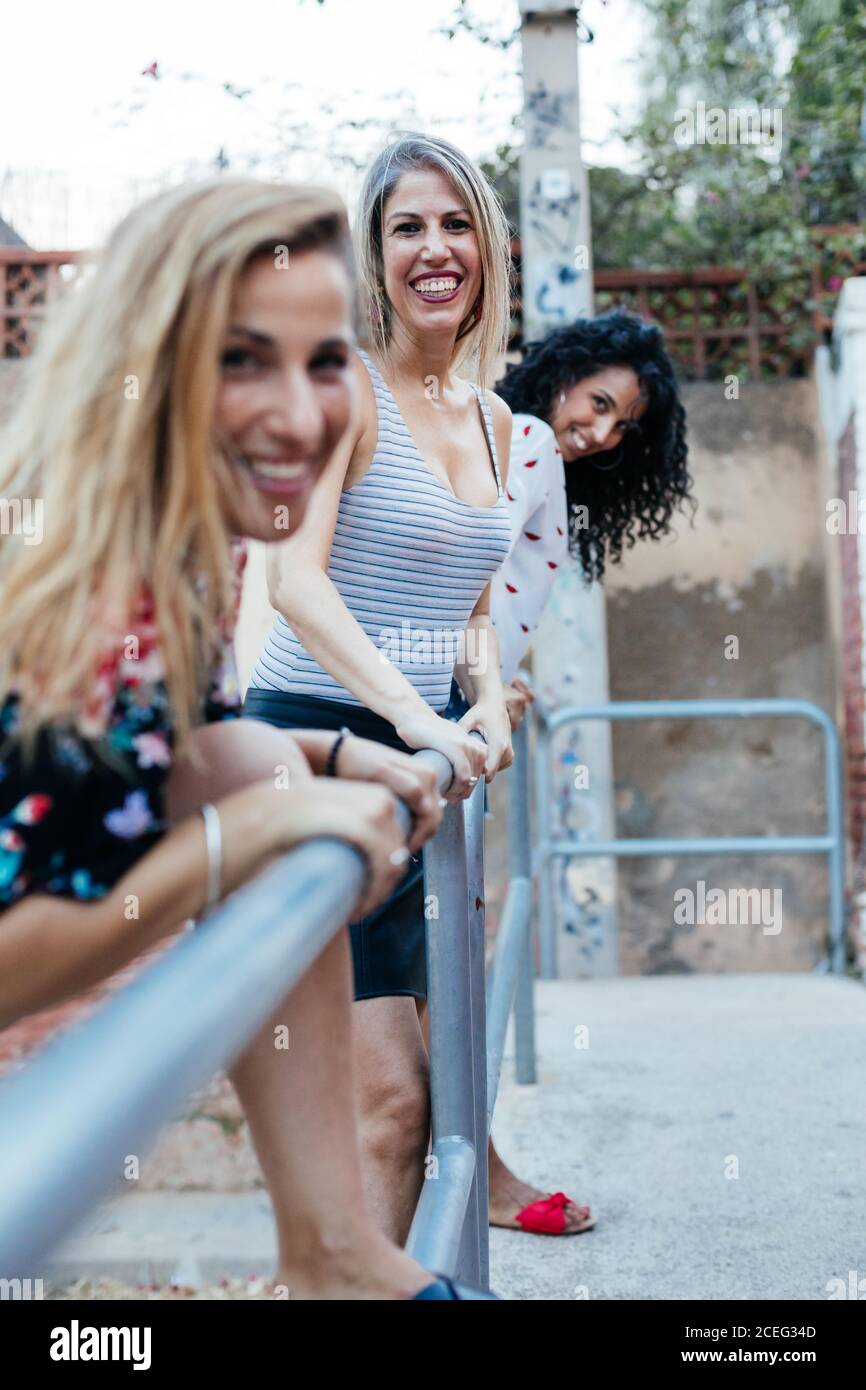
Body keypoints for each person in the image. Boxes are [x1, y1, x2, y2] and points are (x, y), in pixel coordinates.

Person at [0, 176, 494, 1300]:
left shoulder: (188, 541)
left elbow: (182, 750)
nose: (301, 409)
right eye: (240, 360)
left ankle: (328, 1250)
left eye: (324, 361)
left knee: (262, 755)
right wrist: (258, 833)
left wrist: (325, 759)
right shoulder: (85, 584)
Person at [243, 132, 537, 1244]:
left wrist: (480, 700)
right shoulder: (340, 387)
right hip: (316, 757)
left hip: (415, 775)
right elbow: (295, 582)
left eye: (454, 222)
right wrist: (419, 719)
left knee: (418, 1105)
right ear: (374, 250)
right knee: (391, 1102)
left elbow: (469, 609)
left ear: (486, 248)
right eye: (406, 225)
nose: (434, 248)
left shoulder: (498, 423)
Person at [492, 310, 695, 732]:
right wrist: (484, 685)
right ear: (564, 377)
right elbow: (464, 571)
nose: (603, 434)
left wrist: (500, 676)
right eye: (599, 403)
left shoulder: (530, 450)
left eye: (622, 425)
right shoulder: (532, 439)